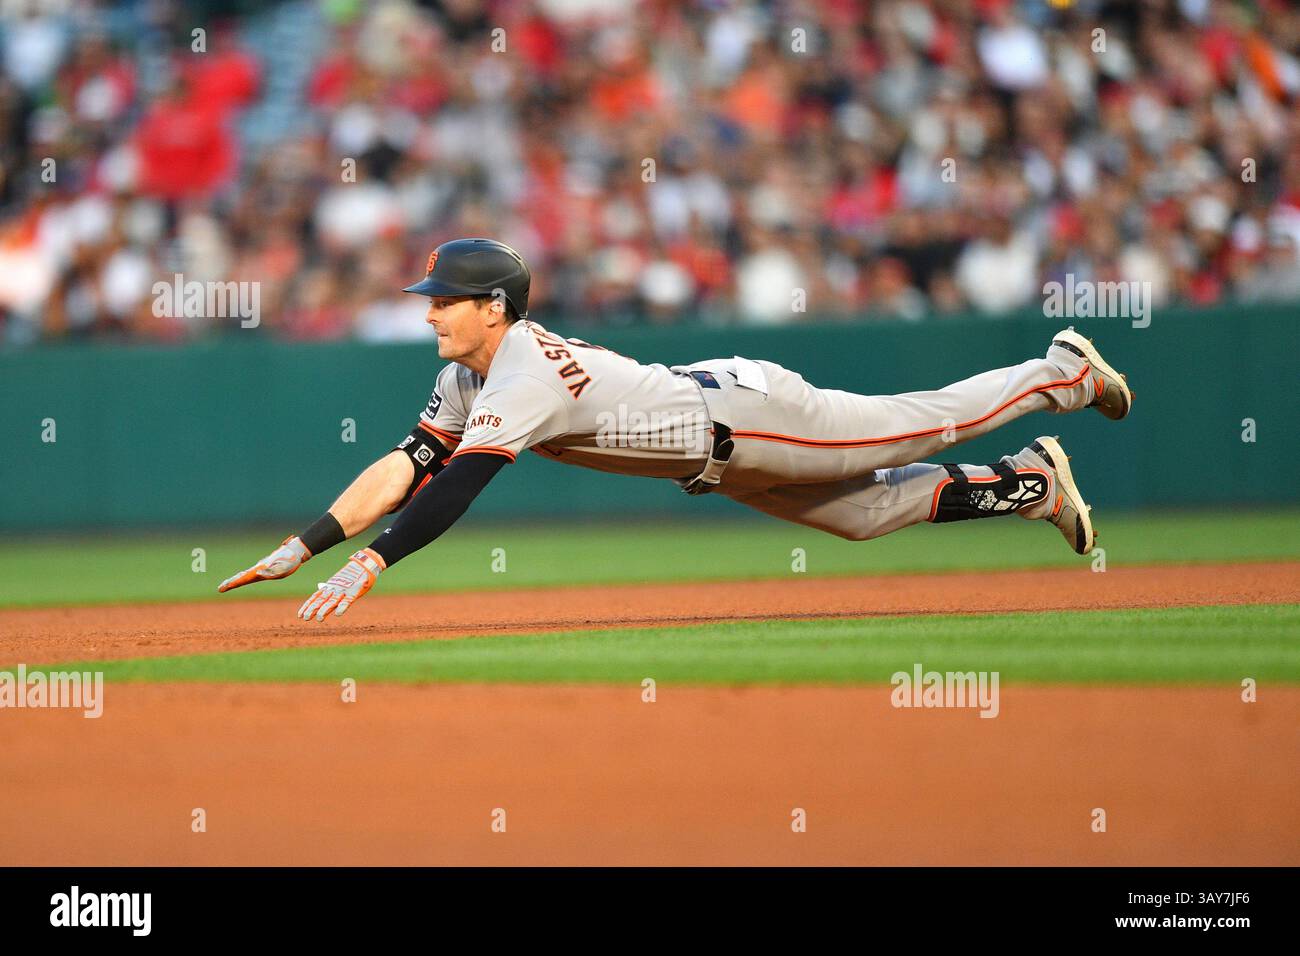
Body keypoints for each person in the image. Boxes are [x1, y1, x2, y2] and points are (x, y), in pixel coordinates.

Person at [218, 238, 1132, 621]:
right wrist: (308, 544)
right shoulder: (469, 372)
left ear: (493, 306)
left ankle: (1061, 373)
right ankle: (1033, 483)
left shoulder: (524, 371)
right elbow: (411, 464)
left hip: (745, 419)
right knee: (864, 517)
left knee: (916, 428)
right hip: (716, 458)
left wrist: (374, 561)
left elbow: (459, 484)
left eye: (445, 302)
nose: (430, 315)